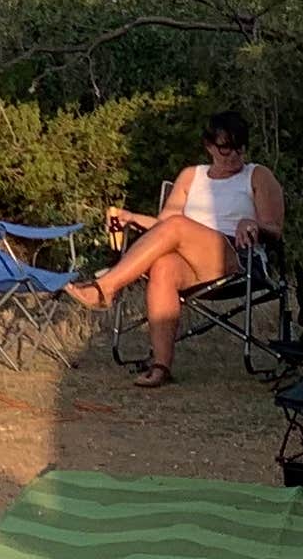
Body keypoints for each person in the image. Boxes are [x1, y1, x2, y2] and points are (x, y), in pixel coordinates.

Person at [65, 110, 284, 387]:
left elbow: (275, 228)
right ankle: (161, 366)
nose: (234, 156)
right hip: (192, 260)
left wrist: (251, 223)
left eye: (240, 148)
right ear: (209, 146)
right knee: (163, 266)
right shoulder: (192, 176)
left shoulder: (257, 175)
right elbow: (162, 227)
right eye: (226, 148)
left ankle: (106, 287)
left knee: (178, 226)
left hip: (239, 256)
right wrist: (131, 217)